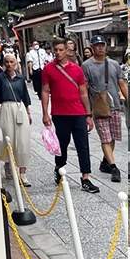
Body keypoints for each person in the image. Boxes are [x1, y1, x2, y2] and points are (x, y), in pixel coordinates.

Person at [41, 40, 99, 193]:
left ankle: (85, 178)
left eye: (61, 50)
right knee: (62, 145)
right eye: (56, 50)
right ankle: (59, 168)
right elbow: (45, 91)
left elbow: (83, 93)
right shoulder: (48, 69)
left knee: (83, 145)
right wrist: (45, 113)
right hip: (59, 114)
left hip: (78, 113)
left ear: (67, 50)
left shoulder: (77, 70)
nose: (58, 52)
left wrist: (88, 114)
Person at [83, 35, 128, 182]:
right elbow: (84, 89)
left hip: (114, 105)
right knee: (105, 138)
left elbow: (122, 83)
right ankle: (114, 167)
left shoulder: (114, 64)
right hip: (99, 107)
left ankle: (105, 161)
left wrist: (129, 100)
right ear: (92, 47)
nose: (100, 48)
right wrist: (87, 111)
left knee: (113, 137)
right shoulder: (86, 66)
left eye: (102, 45)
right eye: (97, 45)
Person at [0, 52, 33, 186]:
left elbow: (25, 96)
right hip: (6, 108)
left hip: (19, 109)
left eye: (12, 62)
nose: (9, 64)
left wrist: (28, 112)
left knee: (22, 140)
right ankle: (8, 165)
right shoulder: (1, 78)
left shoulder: (21, 78)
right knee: (8, 138)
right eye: (7, 62)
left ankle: (23, 173)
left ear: (16, 63)